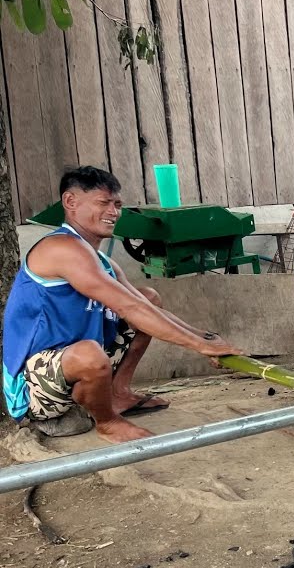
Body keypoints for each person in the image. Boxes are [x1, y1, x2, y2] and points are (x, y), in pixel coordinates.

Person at [2, 167, 243, 443]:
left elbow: (143, 306)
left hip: (76, 365)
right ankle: (107, 422)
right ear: (71, 203)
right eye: (103, 203)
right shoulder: (60, 248)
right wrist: (198, 346)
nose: (114, 212)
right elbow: (129, 308)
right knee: (90, 354)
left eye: (117, 204)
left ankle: (118, 393)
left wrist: (205, 338)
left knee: (149, 297)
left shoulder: (103, 261)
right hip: (35, 388)